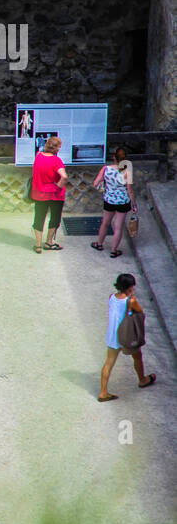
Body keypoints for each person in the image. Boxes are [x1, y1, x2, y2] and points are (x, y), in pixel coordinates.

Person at [99, 273, 157, 402]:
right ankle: (142, 379)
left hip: (113, 336)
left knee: (108, 363)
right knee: (137, 357)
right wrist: (132, 298)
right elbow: (140, 311)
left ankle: (103, 392)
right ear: (129, 287)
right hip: (127, 336)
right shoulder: (131, 301)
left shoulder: (111, 297)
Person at [91, 147, 134, 258]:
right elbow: (129, 190)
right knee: (118, 227)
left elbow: (95, 183)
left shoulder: (106, 169)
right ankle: (114, 250)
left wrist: (103, 185)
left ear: (114, 157)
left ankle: (99, 244)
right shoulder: (127, 172)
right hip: (123, 201)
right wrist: (133, 204)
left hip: (109, 200)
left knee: (105, 223)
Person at [30, 134, 67, 253]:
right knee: (54, 217)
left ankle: (37, 245)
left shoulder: (38, 156)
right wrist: (58, 186)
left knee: (39, 217)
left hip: (40, 193)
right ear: (57, 148)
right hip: (55, 195)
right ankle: (49, 242)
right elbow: (64, 176)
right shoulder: (57, 161)